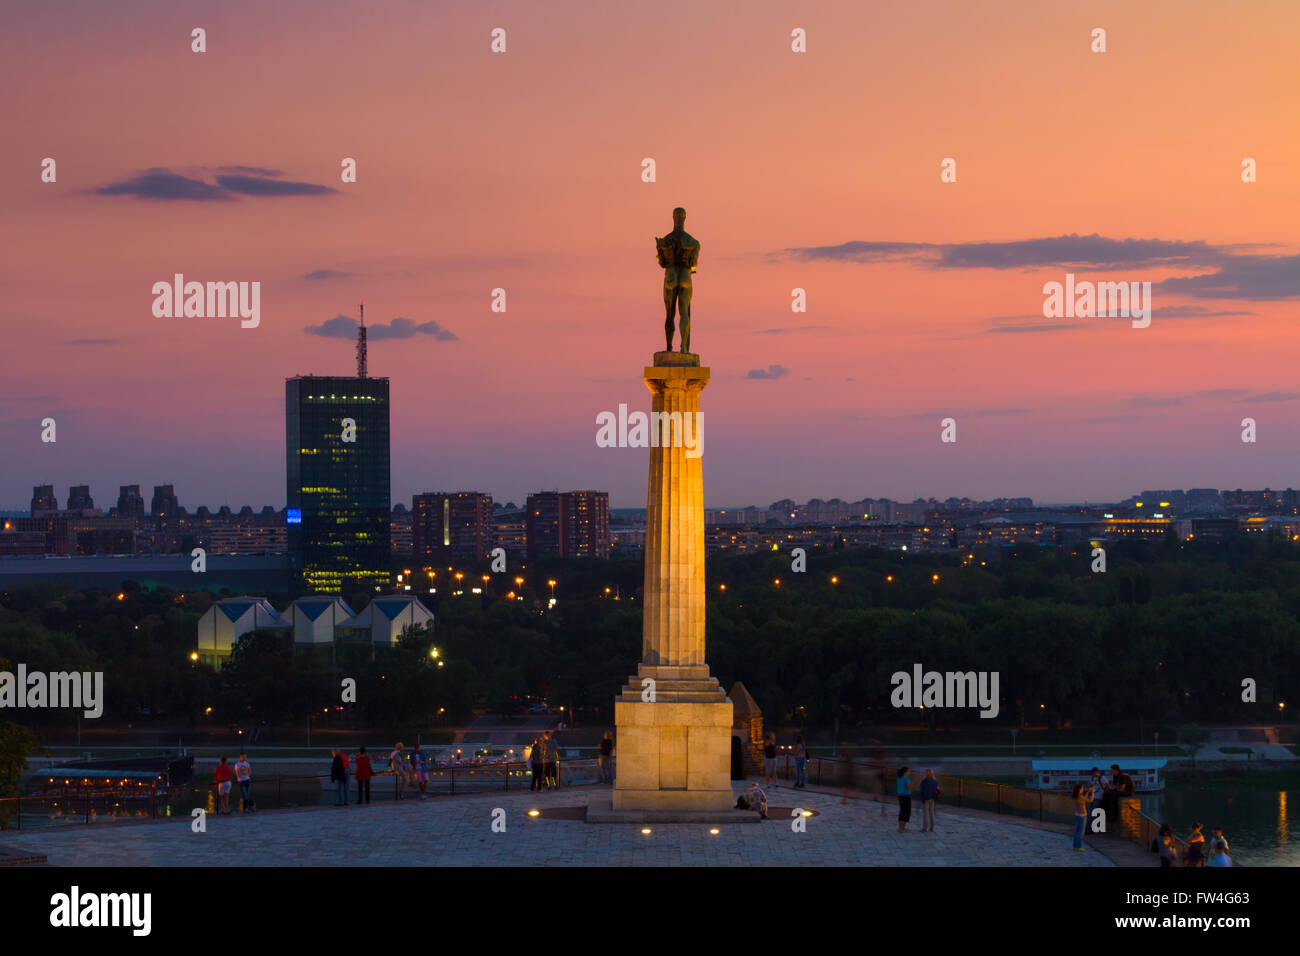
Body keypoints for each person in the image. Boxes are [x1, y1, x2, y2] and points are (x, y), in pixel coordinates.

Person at [1071, 782, 1089, 850]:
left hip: (1077, 815)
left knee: (1077, 831)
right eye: (1082, 788)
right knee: (1081, 832)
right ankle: (1079, 846)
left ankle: (1075, 846)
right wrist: (1092, 793)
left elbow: (1085, 798)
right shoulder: (1080, 797)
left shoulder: (1076, 796)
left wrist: (1088, 791)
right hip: (1082, 815)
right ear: (1079, 789)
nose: (1083, 789)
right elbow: (1090, 800)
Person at [896, 766, 912, 832]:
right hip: (906, 797)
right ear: (905, 772)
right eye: (908, 771)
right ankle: (902, 828)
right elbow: (909, 787)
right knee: (906, 812)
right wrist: (912, 786)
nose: (909, 772)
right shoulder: (906, 778)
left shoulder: (899, 778)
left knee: (902, 811)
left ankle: (900, 827)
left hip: (900, 797)